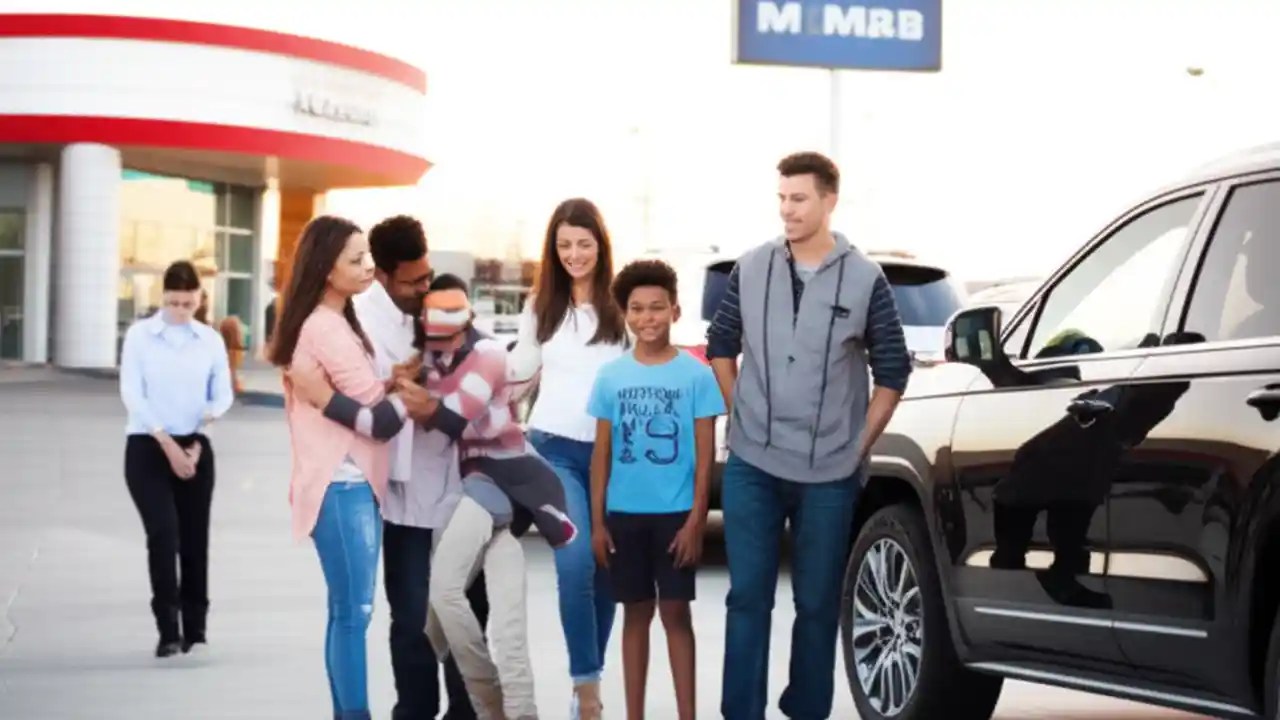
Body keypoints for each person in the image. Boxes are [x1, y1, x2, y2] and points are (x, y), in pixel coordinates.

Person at [705, 151, 913, 720]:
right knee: (747, 598)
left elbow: (893, 370)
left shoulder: (866, 277)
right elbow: (721, 344)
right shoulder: (751, 267)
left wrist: (857, 447)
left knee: (818, 604)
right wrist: (738, 410)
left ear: (828, 201)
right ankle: (741, 712)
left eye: (798, 199)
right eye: (782, 199)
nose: (788, 210)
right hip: (753, 465)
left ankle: (806, 710)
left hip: (829, 475)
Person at [268, 214, 424, 720]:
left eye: (367, 258)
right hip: (344, 485)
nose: (367, 268)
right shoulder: (326, 327)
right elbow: (378, 422)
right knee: (354, 614)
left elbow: (368, 399)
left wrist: (393, 384)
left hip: (344, 485)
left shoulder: (333, 321)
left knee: (345, 613)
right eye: (355, 260)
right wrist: (417, 397)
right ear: (325, 267)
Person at [352, 214, 485, 720]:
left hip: (457, 484)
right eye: (411, 280)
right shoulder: (359, 320)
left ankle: (464, 711)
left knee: (463, 608)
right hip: (401, 492)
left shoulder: (439, 304)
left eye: (426, 275)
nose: (422, 287)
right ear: (382, 275)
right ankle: (414, 709)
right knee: (410, 615)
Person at [588, 259, 724, 720]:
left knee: (675, 616)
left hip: (675, 515)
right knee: (635, 615)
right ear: (625, 314)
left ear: (676, 311)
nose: (648, 318)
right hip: (624, 516)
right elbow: (601, 456)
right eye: (638, 309)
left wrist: (695, 521)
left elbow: (705, 458)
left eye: (657, 308)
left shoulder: (696, 376)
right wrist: (596, 524)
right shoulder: (611, 376)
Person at [509, 198, 628, 719]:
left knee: (607, 570)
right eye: (564, 245)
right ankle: (588, 690)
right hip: (553, 449)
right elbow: (519, 368)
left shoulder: (623, 304)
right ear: (552, 250)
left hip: (614, 457)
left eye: (583, 244)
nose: (574, 254)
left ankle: (590, 675)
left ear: (600, 245)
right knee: (576, 561)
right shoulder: (542, 305)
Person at [120, 260, 234, 659]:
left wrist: (199, 440)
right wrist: (168, 446)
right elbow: (133, 395)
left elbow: (222, 395)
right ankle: (168, 630)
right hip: (148, 446)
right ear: (163, 296)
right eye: (173, 302)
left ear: (199, 298)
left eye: (188, 302)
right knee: (163, 533)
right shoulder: (139, 337)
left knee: (194, 540)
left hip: (196, 445)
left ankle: (196, 631)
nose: (180, 310)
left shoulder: (210, 340)